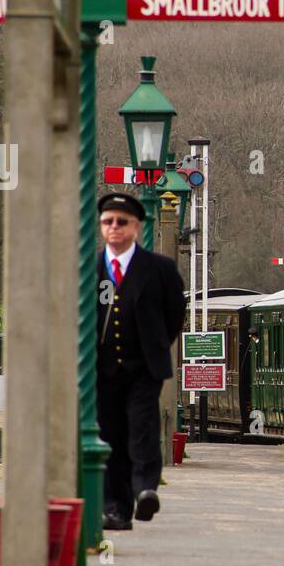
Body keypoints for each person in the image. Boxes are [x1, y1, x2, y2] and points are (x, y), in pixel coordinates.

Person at [96, 192, 187, 530]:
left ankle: (145, 489)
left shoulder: (159, 269)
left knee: (142, 429)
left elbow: (175, 313)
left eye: (121, 222)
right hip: (102, 371)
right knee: (109, 437)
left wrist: (158, 345)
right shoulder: (90, 268)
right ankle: (116, 509)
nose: (114, 228)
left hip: (144, 369)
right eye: (108, 222)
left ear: (136, 226)